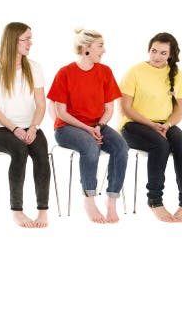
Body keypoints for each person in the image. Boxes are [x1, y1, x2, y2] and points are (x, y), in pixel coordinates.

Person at [47, 28, 128, 224]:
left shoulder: (105, 71)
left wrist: (99, 126)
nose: (104, 50)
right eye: (100, 46)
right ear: (86, 48)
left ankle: (111, 201)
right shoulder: (65, 73)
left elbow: (109, 109)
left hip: (96, 125)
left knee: (121, 147)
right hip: (67, 128)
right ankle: (89, 200)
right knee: (90, 147)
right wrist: (87, 129)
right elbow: (61, 113)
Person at [120, 32, 182, 222]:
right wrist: (151, 125)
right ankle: (155, 201)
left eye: (163, 53)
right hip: (133, 125)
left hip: (164, 124)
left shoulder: (177, 74)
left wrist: (167, 125)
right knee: (160, 145)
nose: (156, 57)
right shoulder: (135, 71)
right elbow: (125, 108)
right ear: (149, 50)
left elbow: (179, 110)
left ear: (170, 55)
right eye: (154, 51)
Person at [0, 22, 50, 228]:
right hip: (1, 129)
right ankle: (17, 211)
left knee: (40, 150)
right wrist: (15, 129)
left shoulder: (35, 68)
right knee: (19, 150)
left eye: (30, 38)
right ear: (13, 41)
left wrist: (33, 128)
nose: (30, 43)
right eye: (26, 39)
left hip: (30, 126)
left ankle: (42, 211)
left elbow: (41, 104)